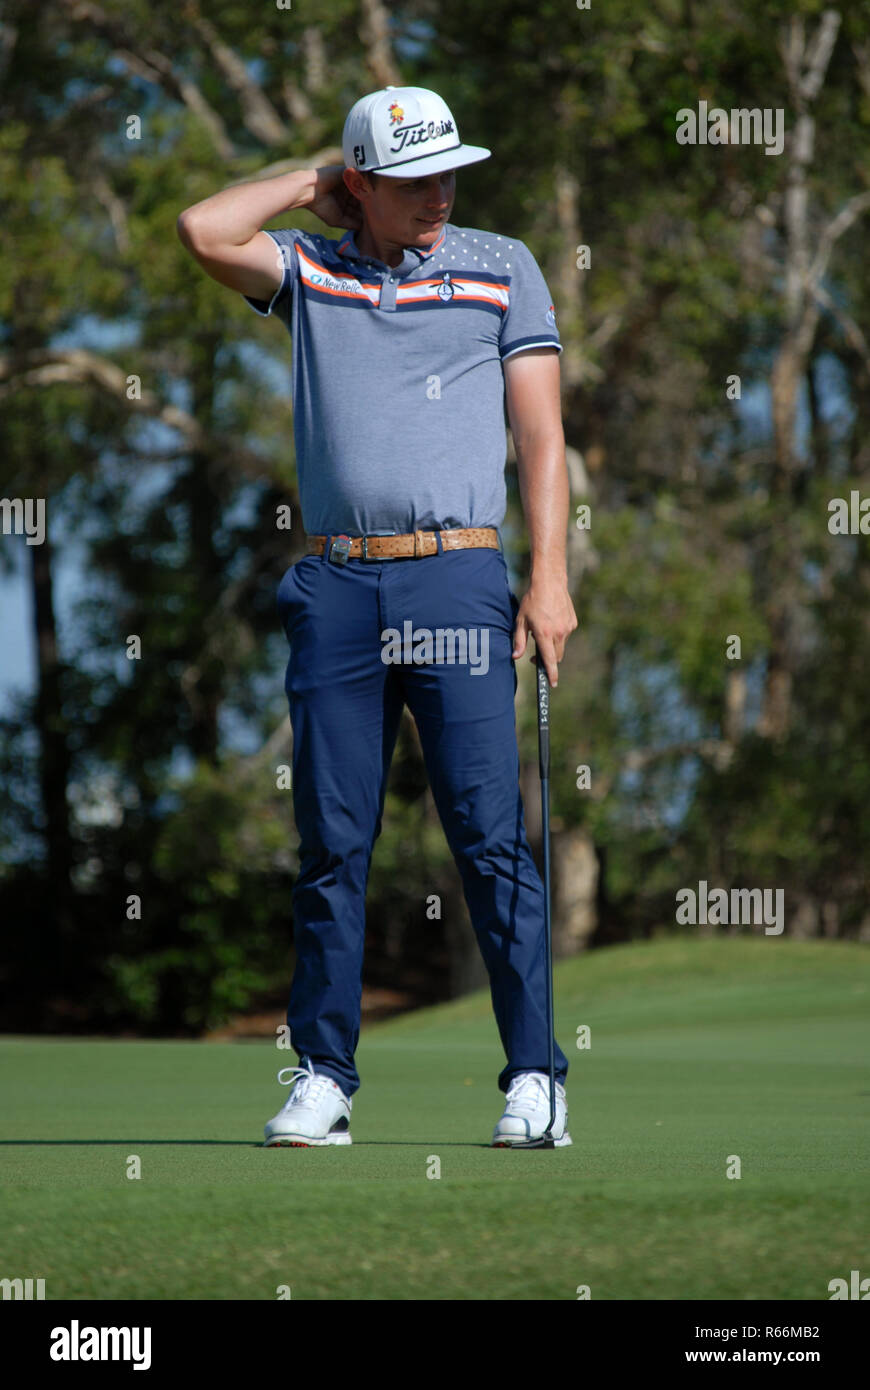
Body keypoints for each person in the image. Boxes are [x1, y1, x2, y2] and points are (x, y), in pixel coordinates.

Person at [177, 85, 578, 1147]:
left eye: (448, 171)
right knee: (331, 840)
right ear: (358, 184)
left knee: (491, 840)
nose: (438, 194)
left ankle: (536, 1075)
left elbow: (541, 439)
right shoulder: (313, 269)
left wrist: (549, 579)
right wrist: (318, 187)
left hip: (455, 577)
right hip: (339, 585)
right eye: (409, 180)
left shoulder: (502, 267)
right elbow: (203, 229)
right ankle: (323, 1076)